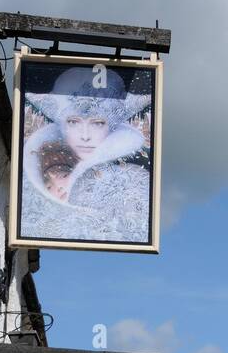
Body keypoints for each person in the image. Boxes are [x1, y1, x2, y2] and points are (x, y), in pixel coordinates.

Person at [21, 65, 151, 243]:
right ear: (62, 125)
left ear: (111, 126)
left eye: (97, 123)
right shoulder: (45, 161)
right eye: (73, 122)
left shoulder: (132, 173)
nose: (85, 136)